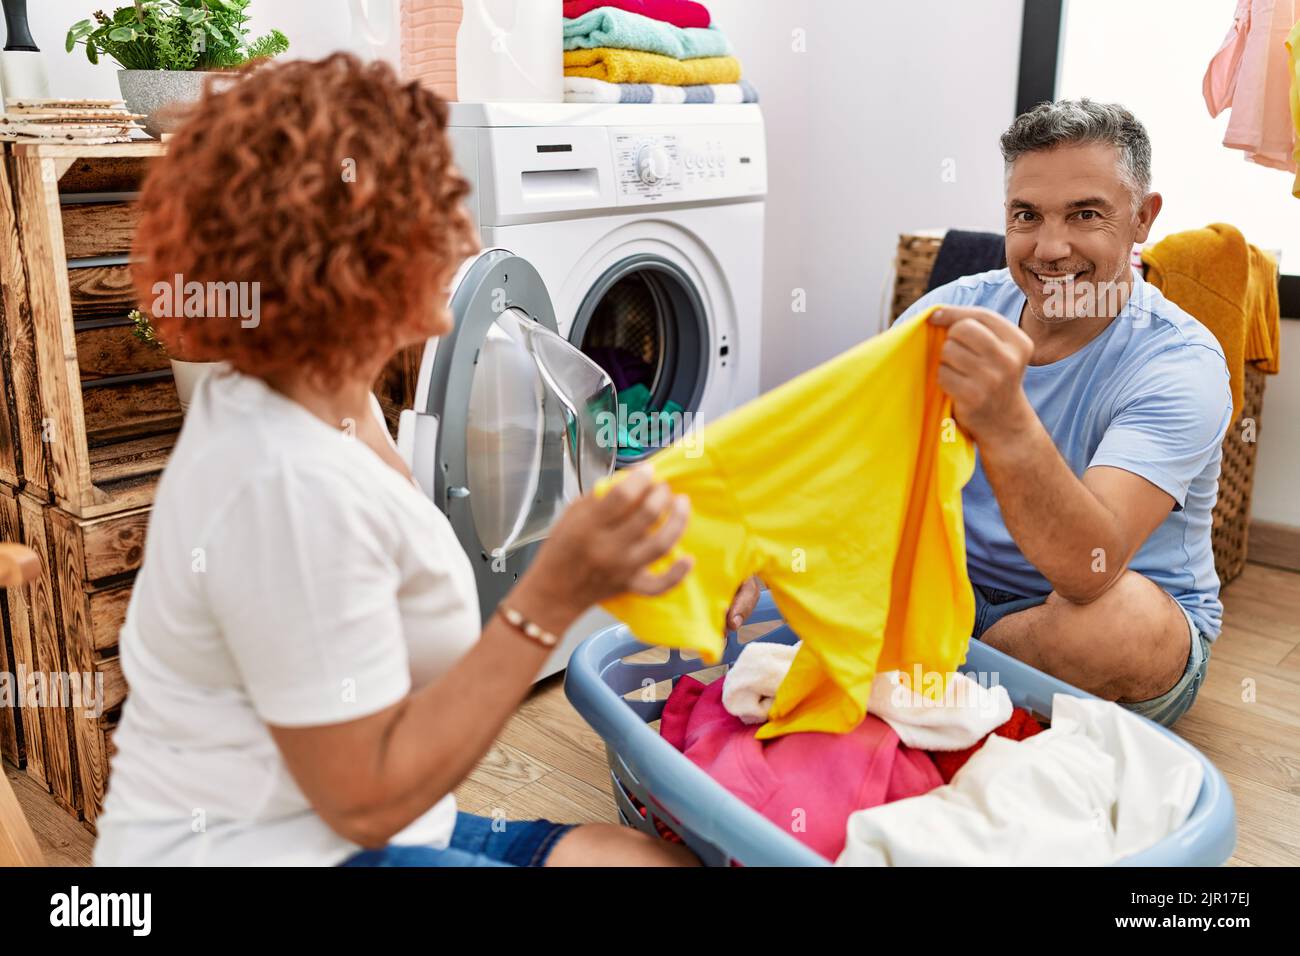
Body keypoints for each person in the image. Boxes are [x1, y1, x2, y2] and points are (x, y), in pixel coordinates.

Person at [93, 53, 707, 867]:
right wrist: (552, 595)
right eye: (432, 211)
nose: (467, 237)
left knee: (646, 861)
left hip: (354, 820)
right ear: (338, 263)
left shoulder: (331, 397)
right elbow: (365, 803)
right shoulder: (283, 483)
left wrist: (626, 563)